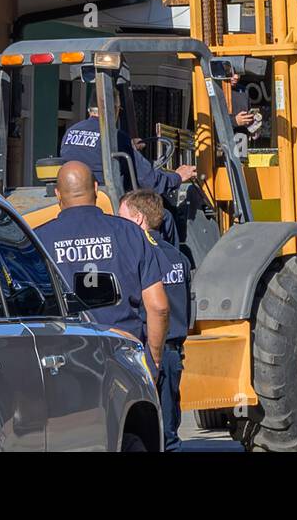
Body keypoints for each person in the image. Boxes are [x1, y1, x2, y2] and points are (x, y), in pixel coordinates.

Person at [38, 161, 169, 375]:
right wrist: (153, 361)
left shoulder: (39, 239)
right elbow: (158, 307)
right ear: (97, 188)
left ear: (58, 194)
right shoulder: (131, 234)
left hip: (63, 361)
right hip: (124, 356)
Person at [119, 188, 191, 452]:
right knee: (168, 433)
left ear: (138, 219)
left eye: (122, 217)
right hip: (173, 351)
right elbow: (186, 308)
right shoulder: (179, 258)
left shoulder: (136, 257)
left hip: (146, 351)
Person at [61, 85, 196, 199]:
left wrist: (128, 146)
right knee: (166, 218)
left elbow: (93, 152)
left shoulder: (71, 132)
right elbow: (149, 181)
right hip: (109, 198)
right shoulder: (115, 136)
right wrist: (177, 177)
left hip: (78, 194)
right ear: (113, 109)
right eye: (119, 110)